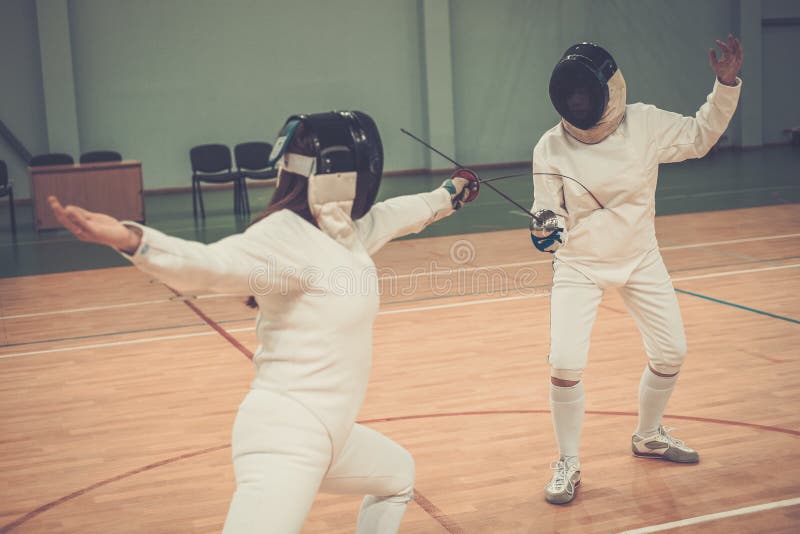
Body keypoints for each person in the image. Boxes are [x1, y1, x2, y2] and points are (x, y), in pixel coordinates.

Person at [48, 111, 478, 532]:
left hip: (333, 435)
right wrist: (132, 238)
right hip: (285, 438)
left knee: (397, 475)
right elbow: (212, 265)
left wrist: (451, 192)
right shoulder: (283, 236)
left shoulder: (343, 233)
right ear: (346, 177)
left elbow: (396, 214)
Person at [529, 36, 743, 504]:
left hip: (641, 257)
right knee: (565, 363)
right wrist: (547, 228)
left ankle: (648, 435)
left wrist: (725, 85)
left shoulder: (643, 123)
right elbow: (548, 211)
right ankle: (567, 461)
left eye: (586, 94)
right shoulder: (550, 146)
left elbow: (699, 136)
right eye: (573, 97)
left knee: (671, 353)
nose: (579, 103)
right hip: (580, 265)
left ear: (607, 90)